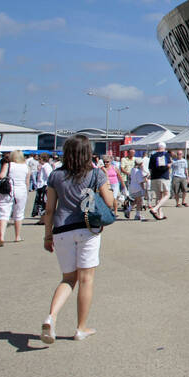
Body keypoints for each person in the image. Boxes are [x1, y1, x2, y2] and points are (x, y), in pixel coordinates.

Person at [41, 133, 116, 344]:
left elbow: (49, 210)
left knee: (68, 278)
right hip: (87, 229)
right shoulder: (96, 174)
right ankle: (80, 328)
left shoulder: (55, 176)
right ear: (88, 153)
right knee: (86, 279)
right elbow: (109, 202)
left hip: (62, 230)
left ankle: (51, 316)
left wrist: (48, 236)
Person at [0, 149, 30, 246]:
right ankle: (17, 236)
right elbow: (27, 182)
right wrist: (26, 193)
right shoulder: (26, 167)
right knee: (19, 214)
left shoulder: (8, 165)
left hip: (8, 190)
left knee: (3, 213)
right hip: (21, 191)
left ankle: (1, 237)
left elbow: (1, 176)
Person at [147, 147, 171, 218]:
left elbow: (150, 168)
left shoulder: (153, 156)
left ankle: (160, 214)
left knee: (158, 196)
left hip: (154, 177)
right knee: (167, 194)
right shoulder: (166, 154)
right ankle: (155, 209)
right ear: (164, 147)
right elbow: (168, 165)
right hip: (163, 177)